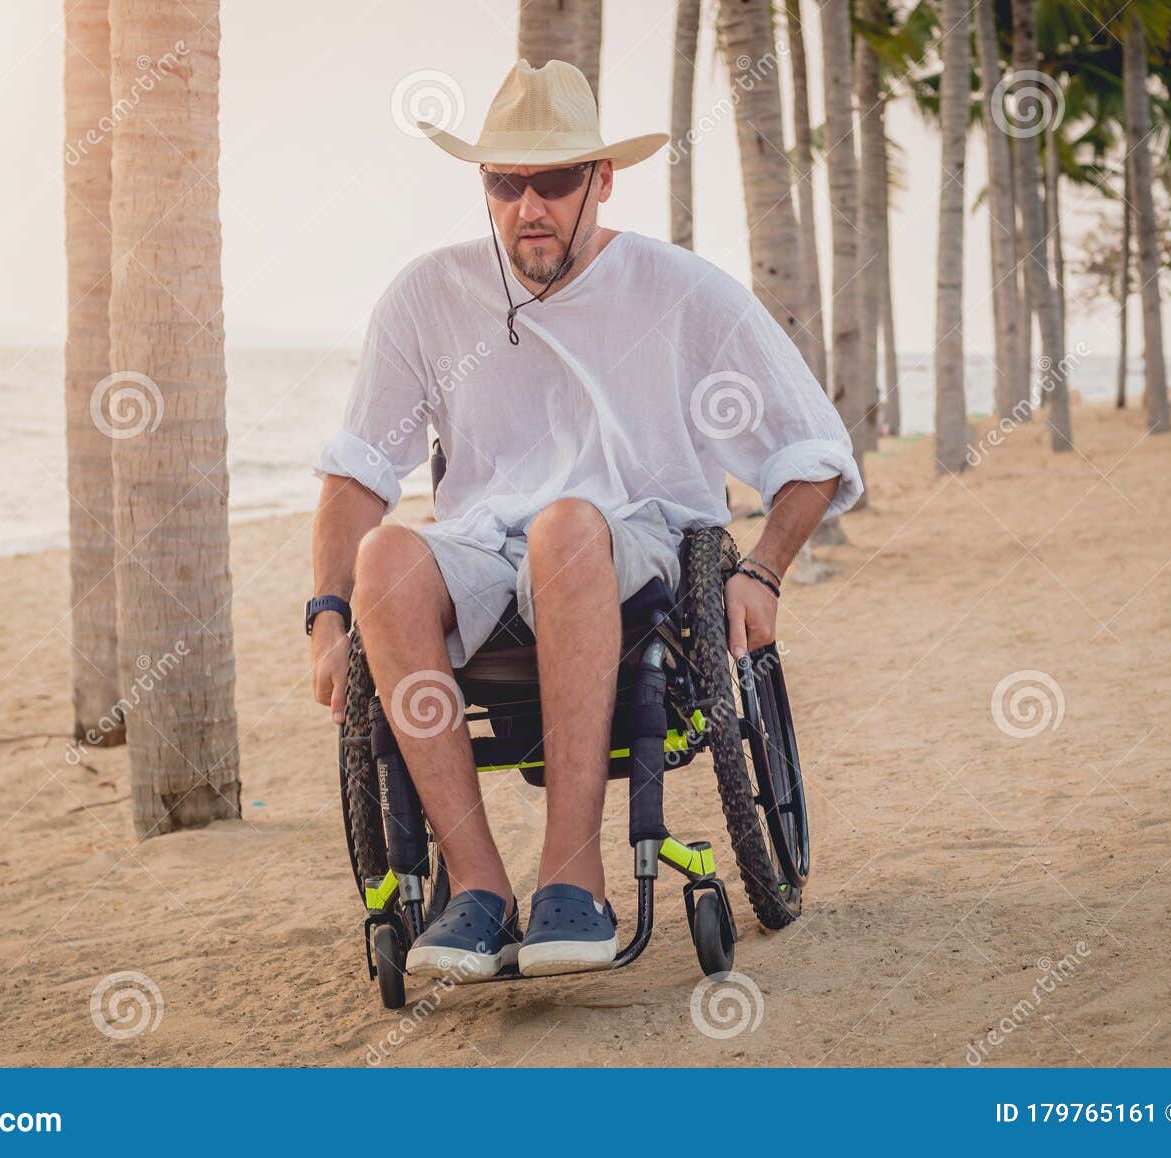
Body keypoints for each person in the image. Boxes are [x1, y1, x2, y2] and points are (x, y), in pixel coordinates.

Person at [307, 59, 860, 981]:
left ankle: (576, 878)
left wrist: (761, 574)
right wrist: (327, 619)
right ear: (485, 187)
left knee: (568, 525)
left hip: (639, 541)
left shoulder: (682, 292)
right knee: (388, 557)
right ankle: (480, 890)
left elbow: (812, 450)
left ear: (602, 181)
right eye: (506, 181)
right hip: (486, 550)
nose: (531, 205)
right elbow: (359, 468)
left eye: (556, 180)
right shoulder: (428, 295)